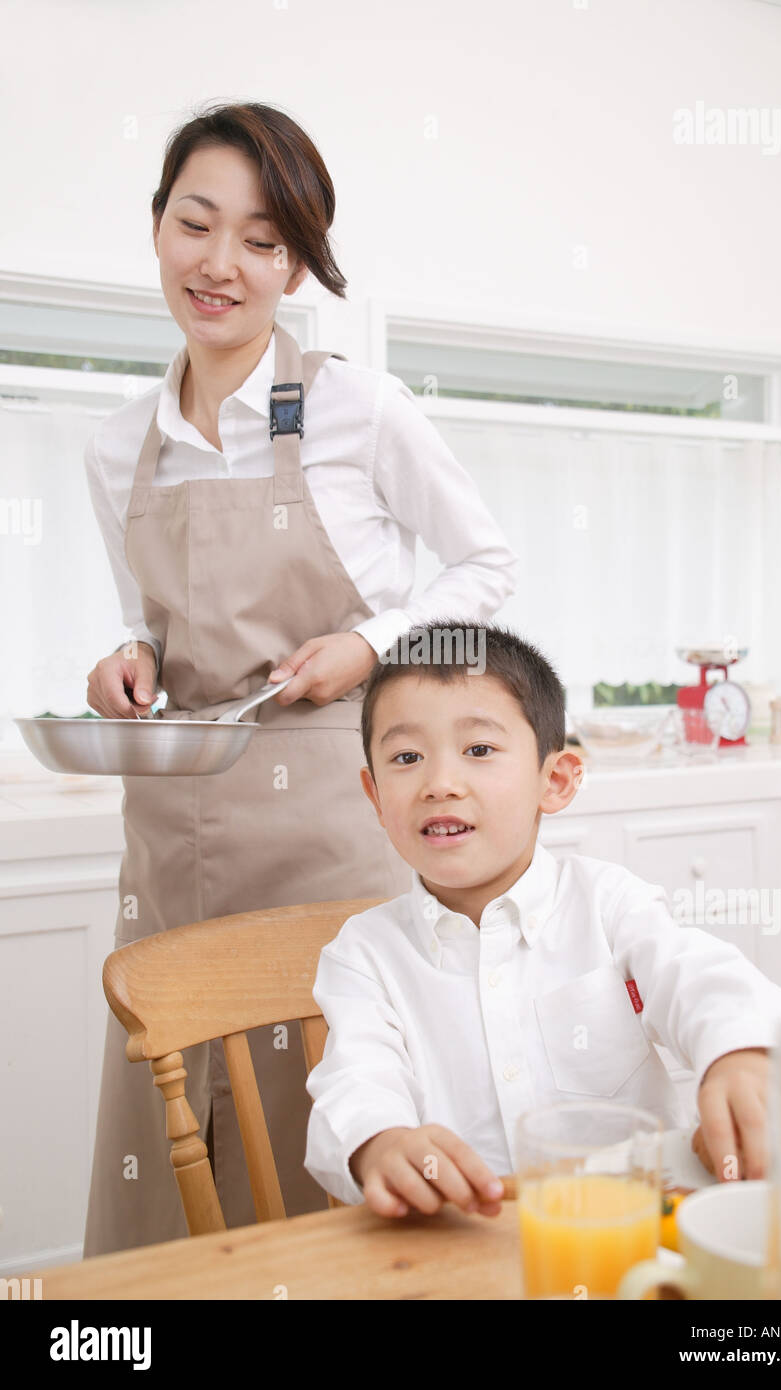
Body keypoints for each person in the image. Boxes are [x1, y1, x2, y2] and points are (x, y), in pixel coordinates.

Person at [81, 103, 517, 1256]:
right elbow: (150, 625)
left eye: (263, 241)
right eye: (197, 224)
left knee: (335, 1115)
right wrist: (126, 660)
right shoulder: (114, 443)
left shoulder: (359, 409)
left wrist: (373, 644)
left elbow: (487, 566)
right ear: (158, 228)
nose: (221, 265)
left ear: (295, 263)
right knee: (174, 1136)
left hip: (326, 839)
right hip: (171, 850)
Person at [303, 620, 781, 1215]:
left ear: (555, 780)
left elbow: (701, 979)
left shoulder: (610, 905)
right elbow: (356, 1080)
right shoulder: (363, 955)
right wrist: (378, 1143)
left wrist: (741, 1052)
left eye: (479, 750)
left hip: (633, 1233)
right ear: (376, 795)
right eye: (407, 757)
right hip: (464, 1249)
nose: (439, 783)